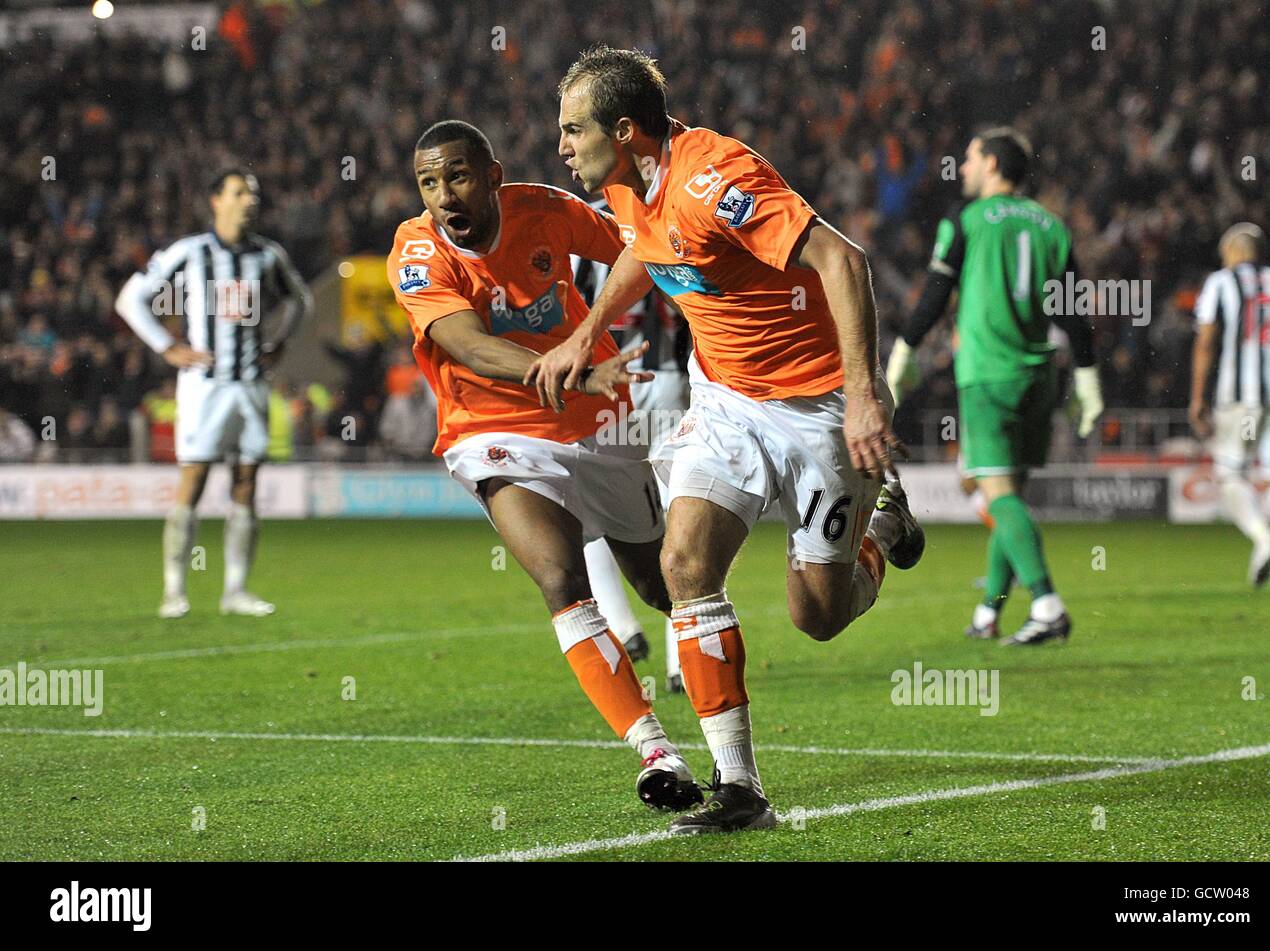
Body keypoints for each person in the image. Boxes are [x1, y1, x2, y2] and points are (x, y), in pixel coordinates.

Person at [530, 47, 925, 835]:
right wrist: (587, 332)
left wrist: (861, 396)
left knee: (817, 614)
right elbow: (646, 250)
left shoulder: (718, 177)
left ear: (627, 128)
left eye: (574, 130)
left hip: (818, 407)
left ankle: (881, 523)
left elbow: (843, 261)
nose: (562, 147)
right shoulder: (628, 186)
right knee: (684, 563)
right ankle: (740, 789)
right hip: (727, 402)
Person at [387, 119, 703, 812]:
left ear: (493, 175)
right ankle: (656, 750)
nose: (445, 195)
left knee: (662, 582)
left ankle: (726, 733)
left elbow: (641, 248)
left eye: (459, 176)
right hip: (494, 428)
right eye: (430, 183)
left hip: (597, 419)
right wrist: (560, 368)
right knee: (561, 576)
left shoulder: (547, 211)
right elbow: (465, 345)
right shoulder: (414, 249)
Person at [887, 129, 1102, 645]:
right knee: (1013, 497)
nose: (962, 168)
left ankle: (1047, 604)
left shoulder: (967, 218)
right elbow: (1074, 308)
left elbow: (938, 288)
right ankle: (989, 613)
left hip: (987, 373)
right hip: (1039, 376)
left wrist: (906, 347)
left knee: (996, 494)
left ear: (992, 164)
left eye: (969, 158)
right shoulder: (1052, 224)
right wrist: (1089, 376)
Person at [115, 167, 311, 618]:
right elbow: (130, 298)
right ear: (216, 200)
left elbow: (302, 301)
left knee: (246, 480)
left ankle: (235, 591)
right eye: (240, 193)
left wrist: (279, 343)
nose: (250, 201)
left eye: (254, 194)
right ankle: (173, 591)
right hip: (204, 386)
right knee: (195, 478)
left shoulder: (267, 256)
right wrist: (167, 347)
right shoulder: (189, 252)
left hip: (250, 385)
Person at [571, 194, 694, 691]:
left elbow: (567, 301)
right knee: (677, 508)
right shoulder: (664, 211)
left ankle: (622, 626)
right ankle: (682, 657)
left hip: (604, 380)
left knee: (598, 506)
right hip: (662, 376)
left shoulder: (577, 219)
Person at [1190, 223, 1270, 590]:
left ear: (1233, 253)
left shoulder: (1221, 282)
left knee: (1231, 474)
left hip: (1238, 399)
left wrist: (1197, 398)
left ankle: (1264, 537)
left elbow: (1206, 342)